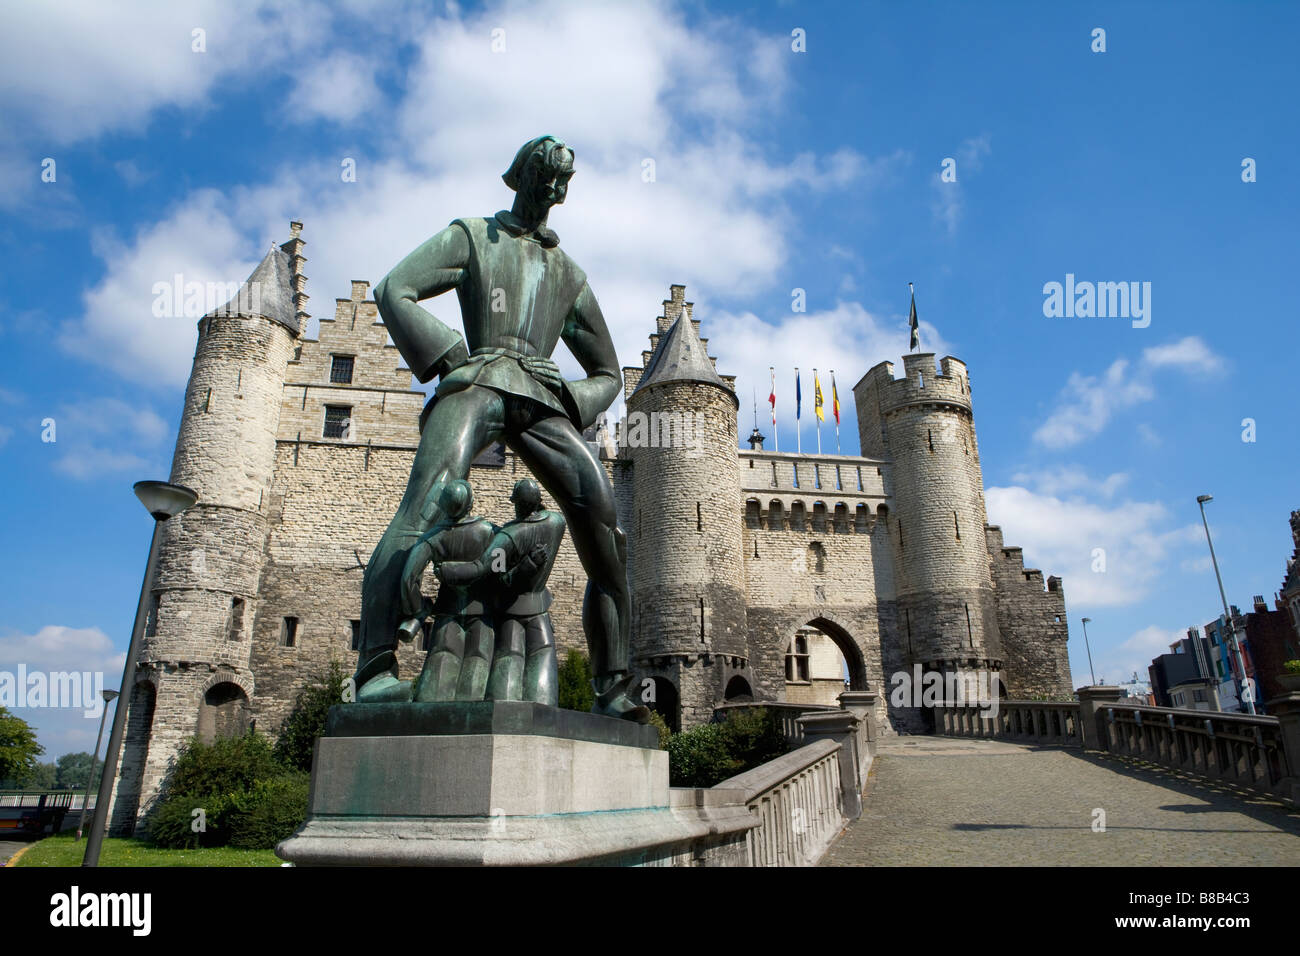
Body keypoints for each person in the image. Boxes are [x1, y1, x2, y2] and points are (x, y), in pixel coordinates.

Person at [355, 135, 647, 722]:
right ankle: (375, 668)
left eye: (564, 180)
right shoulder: (472, 235)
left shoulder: (569, 273)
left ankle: (613, 684)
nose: (554, 189)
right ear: (521, 177)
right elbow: (395, 289)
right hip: (480, 378)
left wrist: (567, 391)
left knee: (604, 531)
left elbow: (609, 373)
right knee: (430, 502)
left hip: (540, 397)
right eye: (545, 176)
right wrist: (450, 356)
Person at [437, 479, 564, 705]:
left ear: (517, 504)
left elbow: (485, 571)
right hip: (540, 610)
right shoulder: (556, 522)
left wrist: (447, 570)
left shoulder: (509, 537)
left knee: (509, 661)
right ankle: (543, 718)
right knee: (543, 660)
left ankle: (505, 713)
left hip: (511, 612)